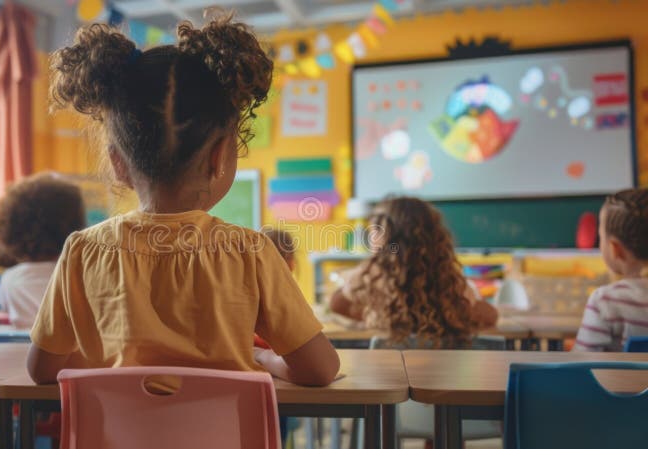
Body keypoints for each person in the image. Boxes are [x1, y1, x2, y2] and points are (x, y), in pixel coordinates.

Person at [27, 12, 339, 387]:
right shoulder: (251, 253)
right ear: (219, 156)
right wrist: (264, 359)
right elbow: (321, 370)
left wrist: (105, 360)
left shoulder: (82, 251)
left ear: (117, 162)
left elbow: (42, 371)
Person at [330, 196, 498, 347]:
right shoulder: (448, 281)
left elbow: (336, 305)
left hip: (385, 377)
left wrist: (375, 316)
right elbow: (490, 316)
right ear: (435, 237)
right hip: (443, 377)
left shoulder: (369, 279)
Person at [0, 173, 86, 328]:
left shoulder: (9, 279)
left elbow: (5, 311)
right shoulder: (80, 275)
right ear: (76, 223)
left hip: (22, 351)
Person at [575, 188, 648, 351]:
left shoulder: (605, 302)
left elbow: (581, 366)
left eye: (601, 237)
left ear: (616, 250)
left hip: (622, 378)